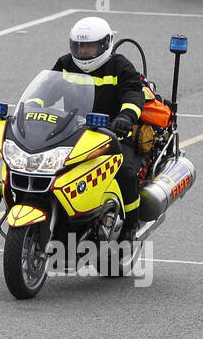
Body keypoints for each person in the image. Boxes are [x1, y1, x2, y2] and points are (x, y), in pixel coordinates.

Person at [51, 16, 145, 234]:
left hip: (114, 133)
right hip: (73, 133)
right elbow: (47, 90)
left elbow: (133, 92)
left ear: (105, 44)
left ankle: (130, 226)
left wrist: (126, 117)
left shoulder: (119, 66)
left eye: (89, 46)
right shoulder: (65, 64)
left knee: (125, 173)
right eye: (79, 46)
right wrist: (30, 110)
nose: (83, 52)